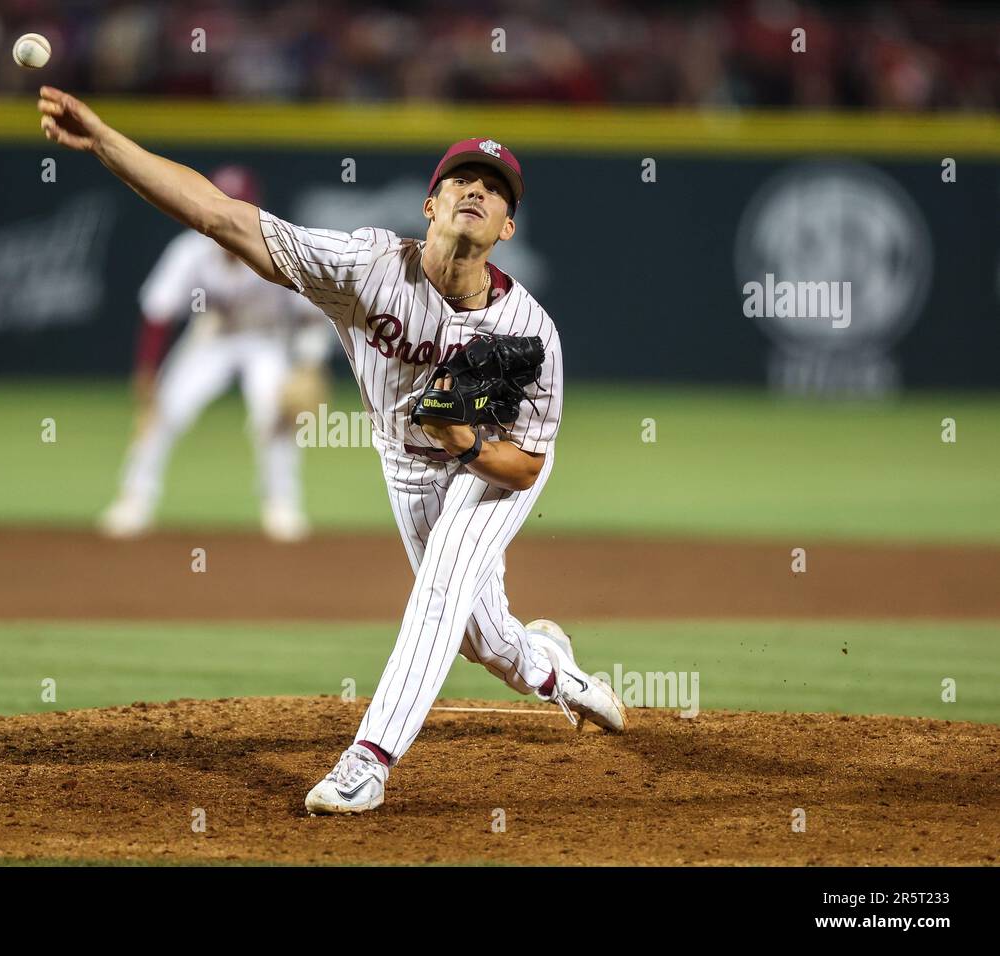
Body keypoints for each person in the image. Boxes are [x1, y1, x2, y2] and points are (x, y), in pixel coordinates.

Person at [38, 86, 626, 815]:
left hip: (494, 467)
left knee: (441, 585)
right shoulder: (366, 268)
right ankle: (555, 673)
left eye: (495, 189)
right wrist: (102, 141)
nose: (477, 190)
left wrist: (467, 442)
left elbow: (529, 465)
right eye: (462, 181)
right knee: (482, 639)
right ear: (430, 206)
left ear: (508, 225)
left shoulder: (532, 334)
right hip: (406, 462)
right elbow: (218, 216)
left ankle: (369, 760)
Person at [98, 166, 330, 543]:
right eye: (222, 202)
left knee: (276, 416)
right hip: (210, 339)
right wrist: (147, 371)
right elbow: (158, 312)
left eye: (240, 204)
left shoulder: (279, 247)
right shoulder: (191, 250)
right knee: (163, 410)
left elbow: (311, 315)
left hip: (266, 341)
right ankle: (134, 500)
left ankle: (282, 505)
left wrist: (309, 364)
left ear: (256, 208)